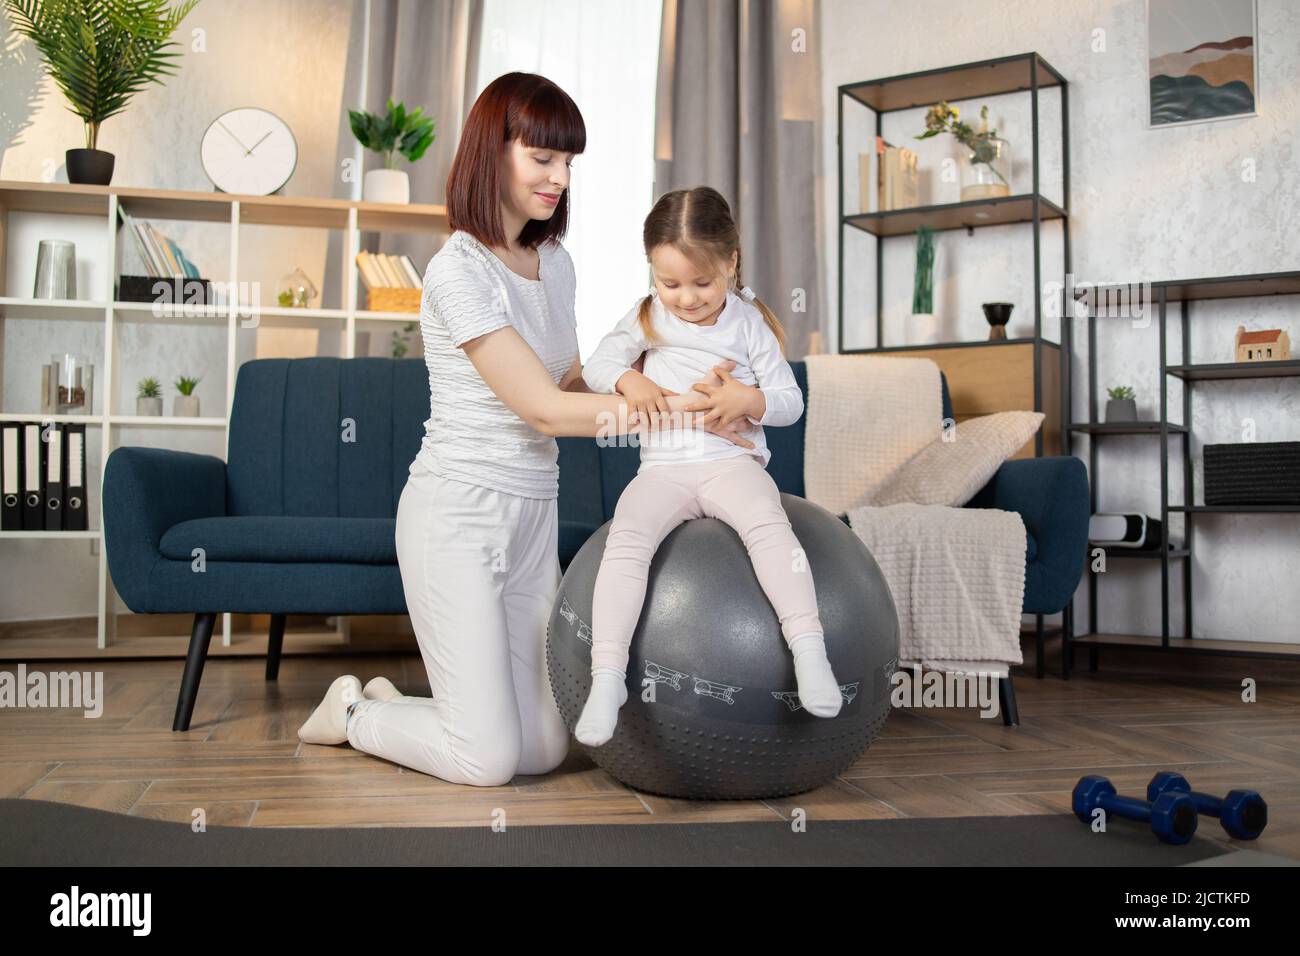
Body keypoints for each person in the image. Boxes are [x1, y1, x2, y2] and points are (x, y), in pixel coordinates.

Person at [295, 73, 752, 786]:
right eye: (542, 158)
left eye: (568, 163)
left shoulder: (555, 264)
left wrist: (633, 379)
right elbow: (540, 408)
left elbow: (569, 377)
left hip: (532, 518)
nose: (559, 178)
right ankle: (355, 711)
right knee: (486, 763)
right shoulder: (457, 271)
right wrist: (674, 409)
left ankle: (401, 708)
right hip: (456, 515)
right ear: (492, 152)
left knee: (543, 750)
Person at [572, 186, 841, 747]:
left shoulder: (748, 325)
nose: (687, 298)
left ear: (731, 263)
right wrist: (632, 378)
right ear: (651, 271)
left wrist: (749, 401)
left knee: (770, 529)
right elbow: (597, 363)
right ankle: (607, 678)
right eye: (669, 283)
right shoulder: (646, 317)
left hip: (730, 464)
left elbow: (791, 401)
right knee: (627, 542)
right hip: (663, 471)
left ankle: (809, 650)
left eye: (703, 283)